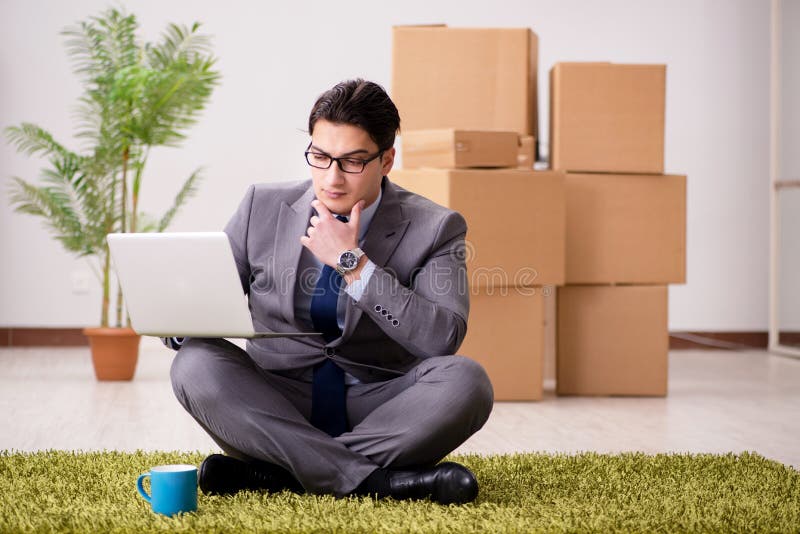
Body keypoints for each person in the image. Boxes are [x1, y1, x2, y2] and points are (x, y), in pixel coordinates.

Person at [164, 78, 494, 505]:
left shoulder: (437, 227)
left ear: (387, 160)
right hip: (277, 401)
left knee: (468, 382)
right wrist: (176, 318)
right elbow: (206, 299)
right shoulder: (260, 207)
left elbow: (440, 339)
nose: (331, 178)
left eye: (352, 162)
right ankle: (379, 483)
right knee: (194, 364)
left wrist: (353, 264)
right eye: (320, 157)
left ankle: (280, 474)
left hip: (379, 403)